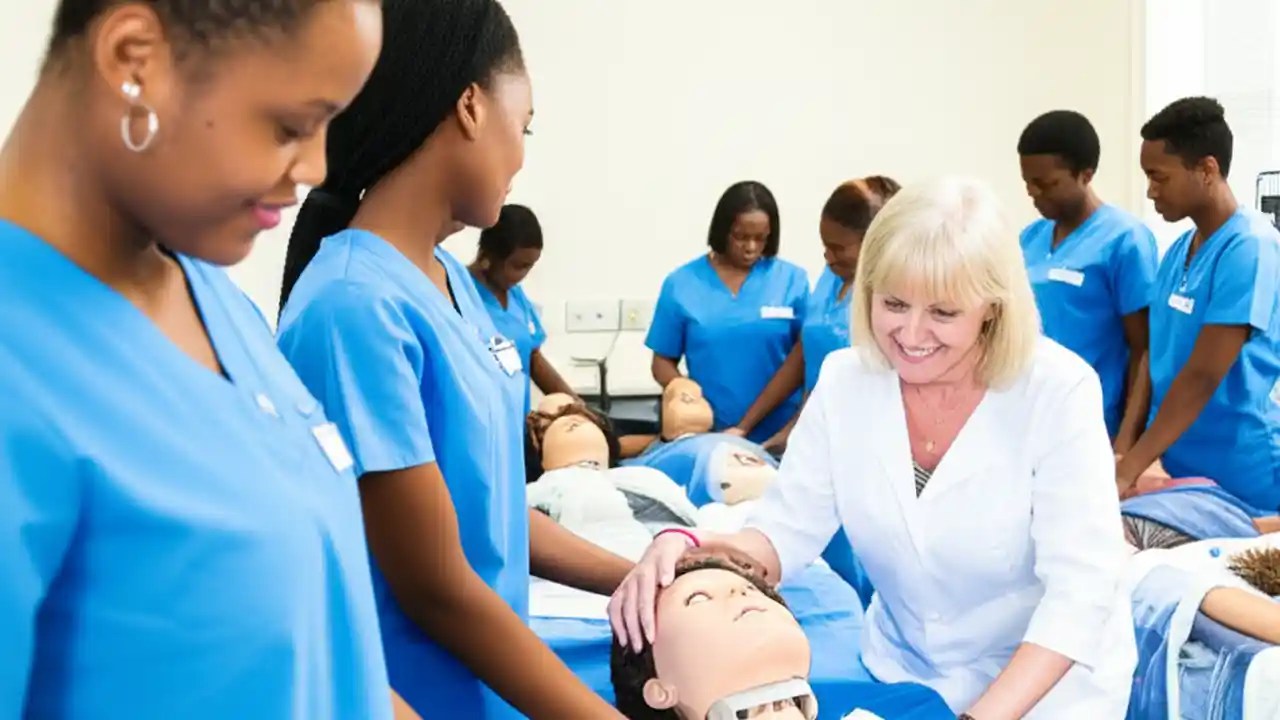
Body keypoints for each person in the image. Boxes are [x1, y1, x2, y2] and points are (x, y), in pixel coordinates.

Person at [0, 1, 402, 718]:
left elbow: (314, 650)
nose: (315, 167)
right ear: (135, 62)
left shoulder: (218, 305)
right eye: (290, 126)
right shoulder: (22, 362)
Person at [610, 177, 1139, 718]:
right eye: (893, 303)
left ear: (993, 307)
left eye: (943, 313)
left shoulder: (1055, 391)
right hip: (904, 666)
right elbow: (783, 536)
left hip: (1047, 685)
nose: (911, 334)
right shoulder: (845, 382)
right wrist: (686, 545)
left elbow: (1080, 592)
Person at [275, 1, 629, 717]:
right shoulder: (355, 307)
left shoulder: (451, 283)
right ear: (470, 105)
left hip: (485, 687)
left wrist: (641, 572)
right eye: (523, 125)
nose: (523, 154)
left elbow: (485, 507)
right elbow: (435, 586)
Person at [1117, 97, 1280, 513]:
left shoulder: (1251, 248)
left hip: (1247, 473)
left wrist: (1128, 468)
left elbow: (1204, 374)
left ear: (1207, 170)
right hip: (1183, 469)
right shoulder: (1178, 252)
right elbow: (1154, 356)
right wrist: (1122, 451)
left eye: (1159, 177)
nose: (1151, 190)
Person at [1017, 110, 1159, 444]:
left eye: (1046, 183)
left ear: (1085, 174)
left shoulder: (1125, 240)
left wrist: (1125, 442)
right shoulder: (1030, 238)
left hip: (1091, 421)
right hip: (1030, 414)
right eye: (1027, 182)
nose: (1033, 192)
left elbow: (1144, 351)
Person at [731, 176, 901, 452]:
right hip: (814, 430)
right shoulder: (832, 277)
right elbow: (804, 354)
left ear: (877, 242)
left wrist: (794, 433)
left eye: (838, 248)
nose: (827, 256)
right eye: (825, 245)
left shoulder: (892, 300)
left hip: (858, 440)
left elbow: (846, 386)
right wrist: (745, 426)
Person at [646, 180, 809, 445]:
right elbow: (661, 362)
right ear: (722, 231)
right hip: (708, 436)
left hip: (779, 437)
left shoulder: (792, 281)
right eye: (741, 237)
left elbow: (804, 359)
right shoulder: (682, 283)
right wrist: (683, 390)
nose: (751, 248)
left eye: (760, 238)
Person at [469, 203, 575, 412]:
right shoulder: (459, 294)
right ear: (487, 257)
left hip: (517, 423)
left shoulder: (515, 296)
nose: (523, 275)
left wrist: (574, 404)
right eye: (519, 266)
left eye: (530, 266)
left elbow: (533, 358)